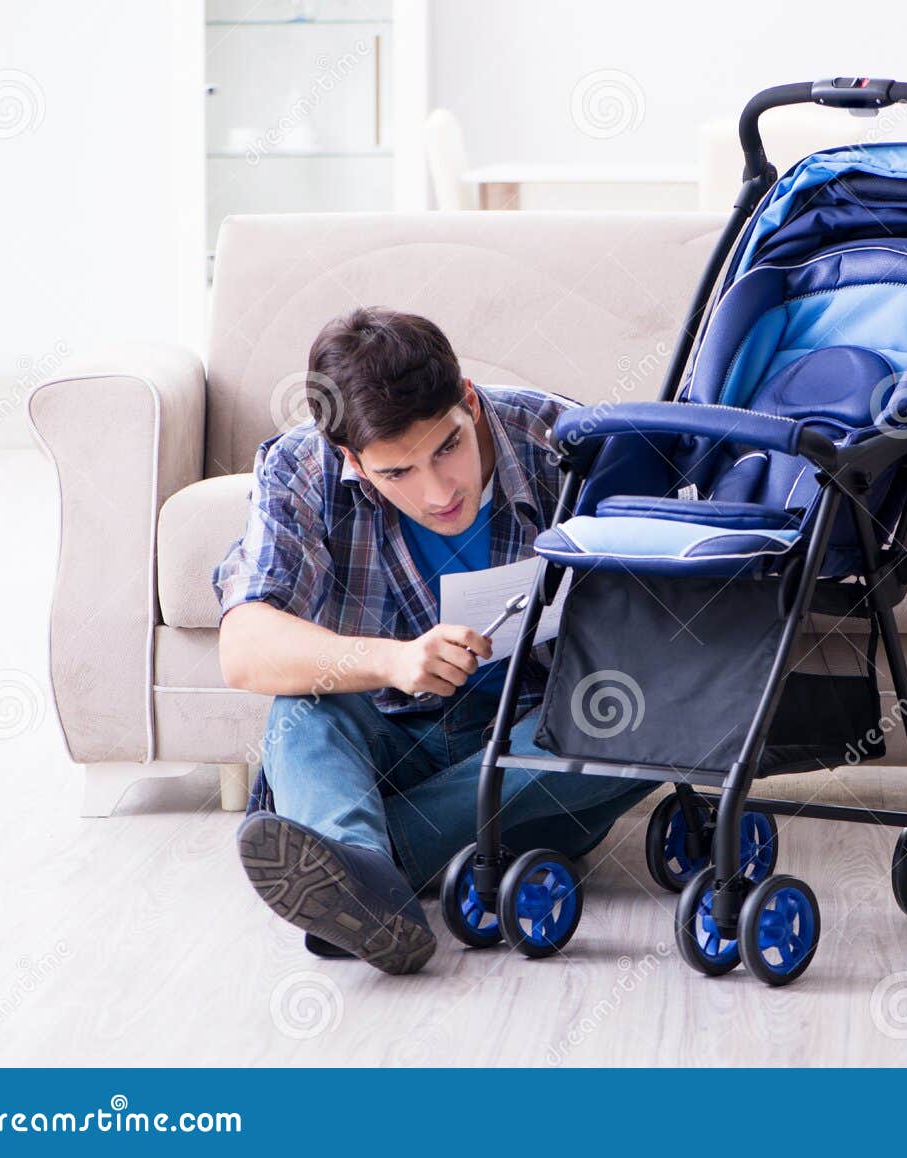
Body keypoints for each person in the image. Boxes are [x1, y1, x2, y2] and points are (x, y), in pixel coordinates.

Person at [213, 306, 654, 974]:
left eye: (448, 447)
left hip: (532, 751)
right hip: (394, 735)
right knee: (303, 709)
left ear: (468, 402)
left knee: (633, 714)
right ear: (352, 459)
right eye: (399, 473)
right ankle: (368, 862)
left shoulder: (565, 442)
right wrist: (393, 660)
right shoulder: (302, 466)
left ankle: (359, 868)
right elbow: (244, 647)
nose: (439, 491)